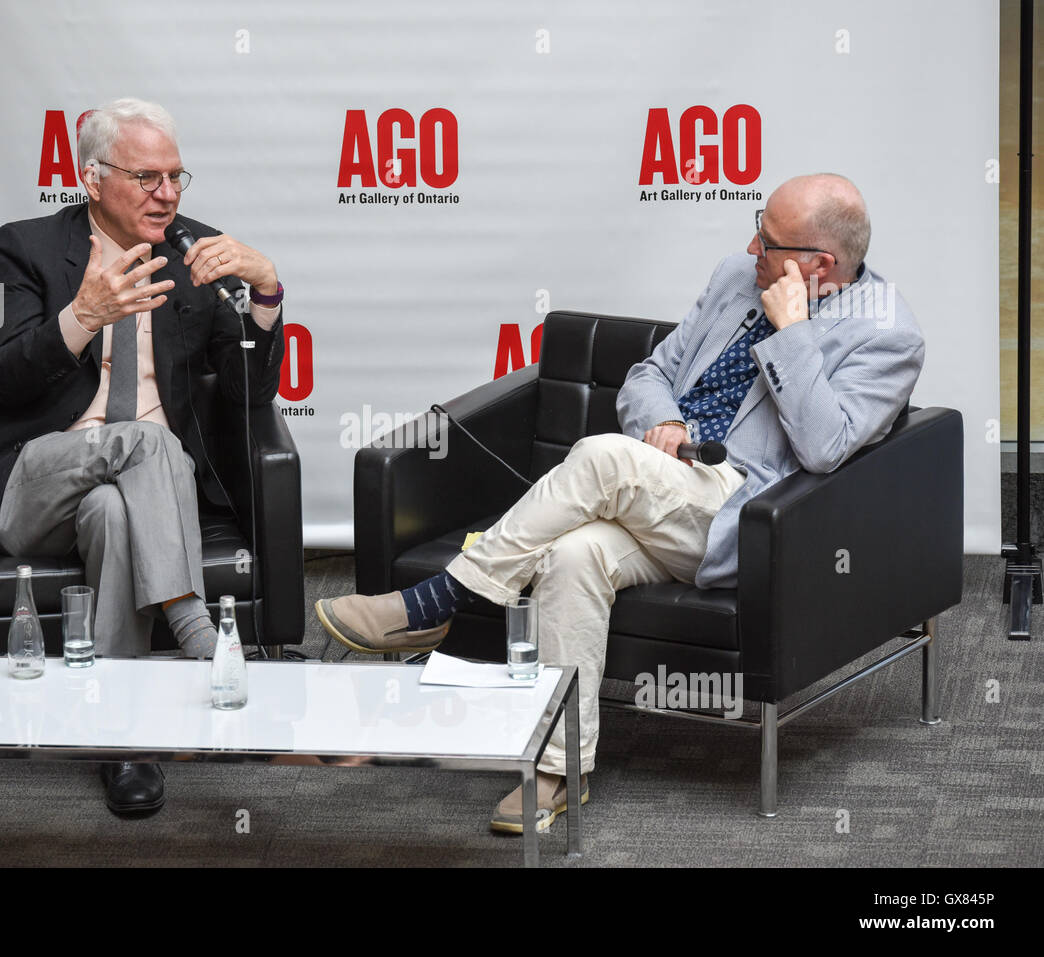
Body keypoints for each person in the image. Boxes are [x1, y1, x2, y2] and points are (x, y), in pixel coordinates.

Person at [315, 173, 924, 834]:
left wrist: (793, 332)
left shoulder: (887, 336)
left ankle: (437, 603)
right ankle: (558, 770)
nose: (751, 247)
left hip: (741, 514)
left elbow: (825, 448)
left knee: (603, 456)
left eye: (769, 241)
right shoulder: (733, 276)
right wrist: (664, 422)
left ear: (820, 264)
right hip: (661, 481)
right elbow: (648, 374)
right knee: (572, 557)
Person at [0, 98, 285, 816]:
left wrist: (265, 292)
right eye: (147, 177)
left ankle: (121, 735)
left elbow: (252, 392)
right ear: (92, 179)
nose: (168, 194)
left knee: (116, 511)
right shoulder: (22, 248)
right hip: (33, 482)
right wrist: (81, 316)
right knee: (150, 442)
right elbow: (5, 374)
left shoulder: (194, 251)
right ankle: (195, 630)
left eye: (176, 177)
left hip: (140, 493)